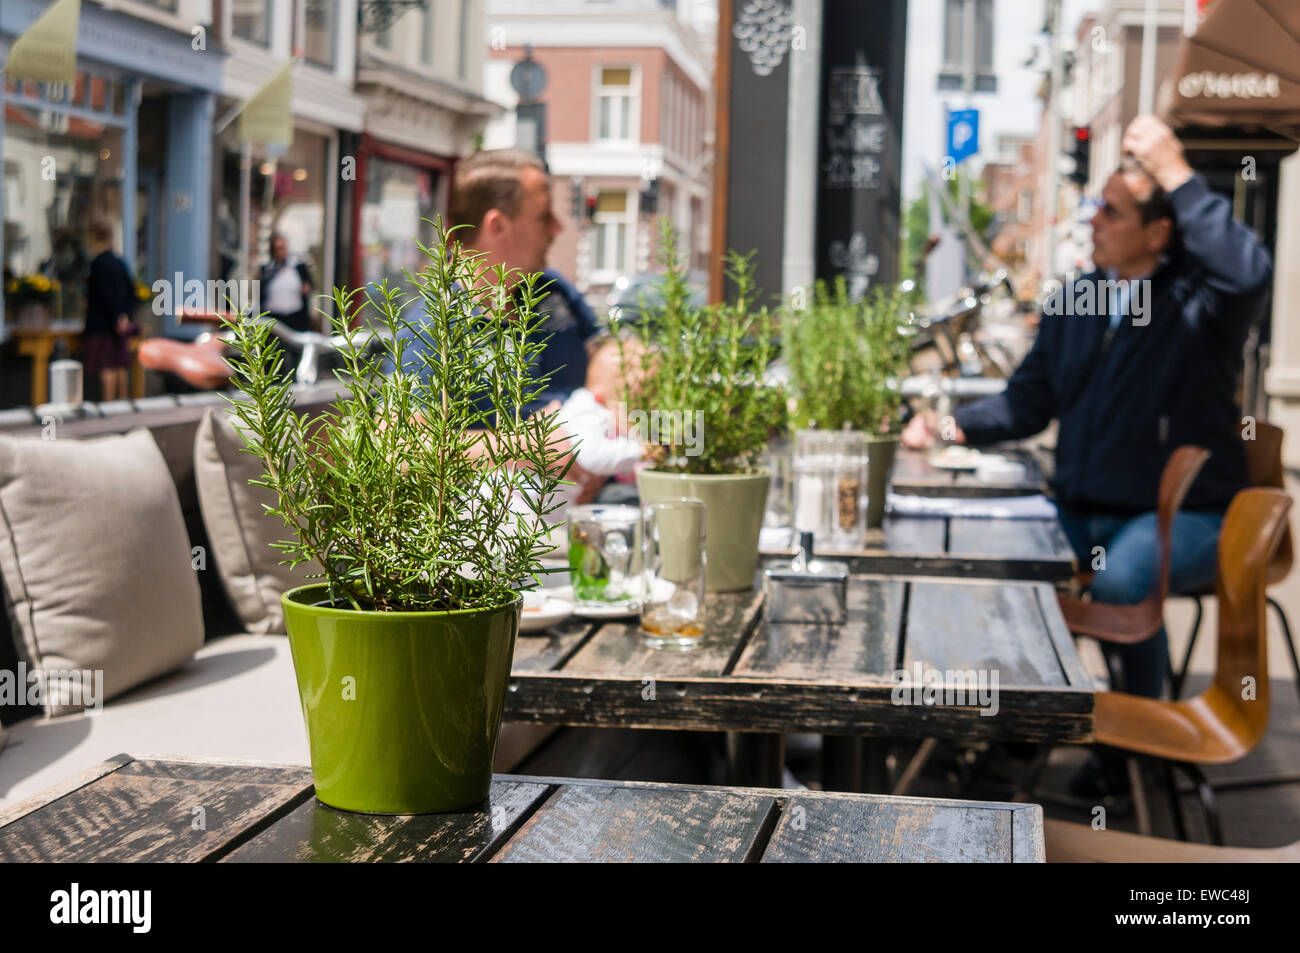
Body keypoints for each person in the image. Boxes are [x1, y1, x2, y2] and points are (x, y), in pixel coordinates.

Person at [902, 116, 1273, 789]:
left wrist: (1175, 169)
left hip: (1187, 515)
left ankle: (1132, 751)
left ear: (1158, 231)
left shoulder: (1199, 302)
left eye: (1110, 209)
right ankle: (1013, 734)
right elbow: (1025, 404)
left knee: (1124, 580)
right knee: (1006, 569)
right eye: (1094, 204)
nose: (1092, 219)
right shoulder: (1077, 299)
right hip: (1081, 506)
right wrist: (947, 426)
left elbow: (1249, 272)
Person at [396, 148, 606, 499]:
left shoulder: (550, 289)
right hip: (500, 536)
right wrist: (524, 448)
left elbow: (604, 353)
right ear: (497, 226)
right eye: (543, 216)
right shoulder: (432, 328)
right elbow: (401, 450)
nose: (558, 227)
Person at [83, 220, 138, 402]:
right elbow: (131, 292)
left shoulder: (98, 264)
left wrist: (117, 317)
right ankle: (122, 405)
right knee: (120, 365)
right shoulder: (119, 262)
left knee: (107, 366)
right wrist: (125, 317)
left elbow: (107, 295)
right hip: (119, 322)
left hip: (103, 324)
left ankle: (109, 406)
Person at [260, 234, 315, 333]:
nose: (282, 252)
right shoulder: (267, 270)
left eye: (284, 248)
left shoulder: (298, 267)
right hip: (273, 318)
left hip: (295, 319)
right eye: (279, 249)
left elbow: (309, 287)